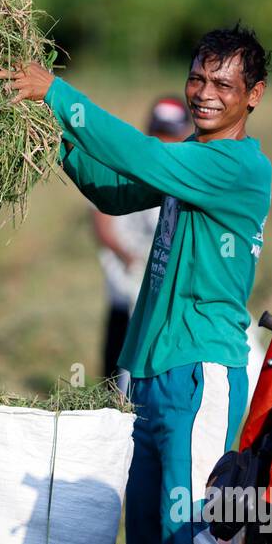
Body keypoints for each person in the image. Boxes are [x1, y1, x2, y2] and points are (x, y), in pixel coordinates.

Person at [0, 25, 272, 544]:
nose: (205, 94)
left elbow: (144, 158)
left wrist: (56, 94)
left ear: (252, 96)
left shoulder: (236, 165)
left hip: (199, 375)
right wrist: (52, 141)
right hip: (146, 377)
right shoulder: (191, 161)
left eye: (222, 85)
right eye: (198, 78)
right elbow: (116, 189)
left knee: (192, 537)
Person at [92, 95, 191, 395]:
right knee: (117, 366)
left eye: (171, 135)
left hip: (167, 289)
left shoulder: (189, 174)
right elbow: (102, 220)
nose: (164, 142)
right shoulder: (130, 166)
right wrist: (132, 259)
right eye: (158, 134)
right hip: (127, 283)